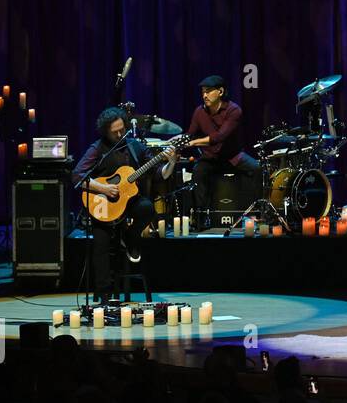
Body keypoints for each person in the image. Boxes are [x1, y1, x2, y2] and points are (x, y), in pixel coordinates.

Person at [73, 106, 176, 302]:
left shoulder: (135, 147)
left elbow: (157, 174)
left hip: (128, 203)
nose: (120, 134)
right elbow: (77, 176)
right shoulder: (97, 149)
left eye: (122, 129)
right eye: (115, 132)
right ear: (105, 131)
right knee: (100, 245)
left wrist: (170, 163)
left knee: (147, 208)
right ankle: (104, 296)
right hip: (103, 204)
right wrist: (103, 189)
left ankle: (130, 238)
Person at [178, 75, 261, 227]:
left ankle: (254, 213)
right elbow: (190, 134)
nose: (204, 95)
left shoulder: (234, 110)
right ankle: (201, 216)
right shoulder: (199, 112)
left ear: (221, 92)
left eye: (208, 91)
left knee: (256, 168)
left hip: (233, 156)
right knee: (198, 171)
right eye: (203, 92)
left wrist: (194, 142)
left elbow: (220, 136)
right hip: (211, 158)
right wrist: (177, 143)